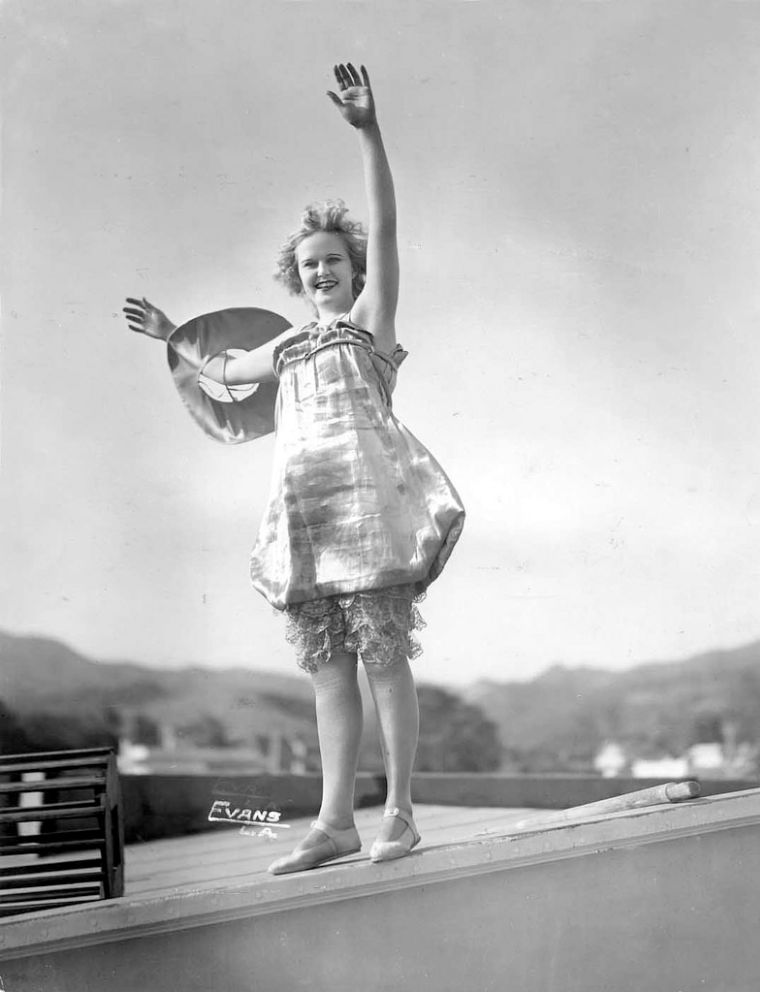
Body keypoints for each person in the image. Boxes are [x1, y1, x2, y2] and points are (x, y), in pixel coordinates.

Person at [124, 63, 465, 874]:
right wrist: (174, 335)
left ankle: (401, 813)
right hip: (307, 513)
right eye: (309, 264)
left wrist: (369, 131)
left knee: (383, 658)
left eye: (333, 260)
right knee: (327, 672)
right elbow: (226, 372)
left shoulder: (370, 321)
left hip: (369, 507)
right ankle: (334, 821)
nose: (321, 272)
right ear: (297, 276)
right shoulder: (287, 344)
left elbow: (386, 226)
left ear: (353, 269)